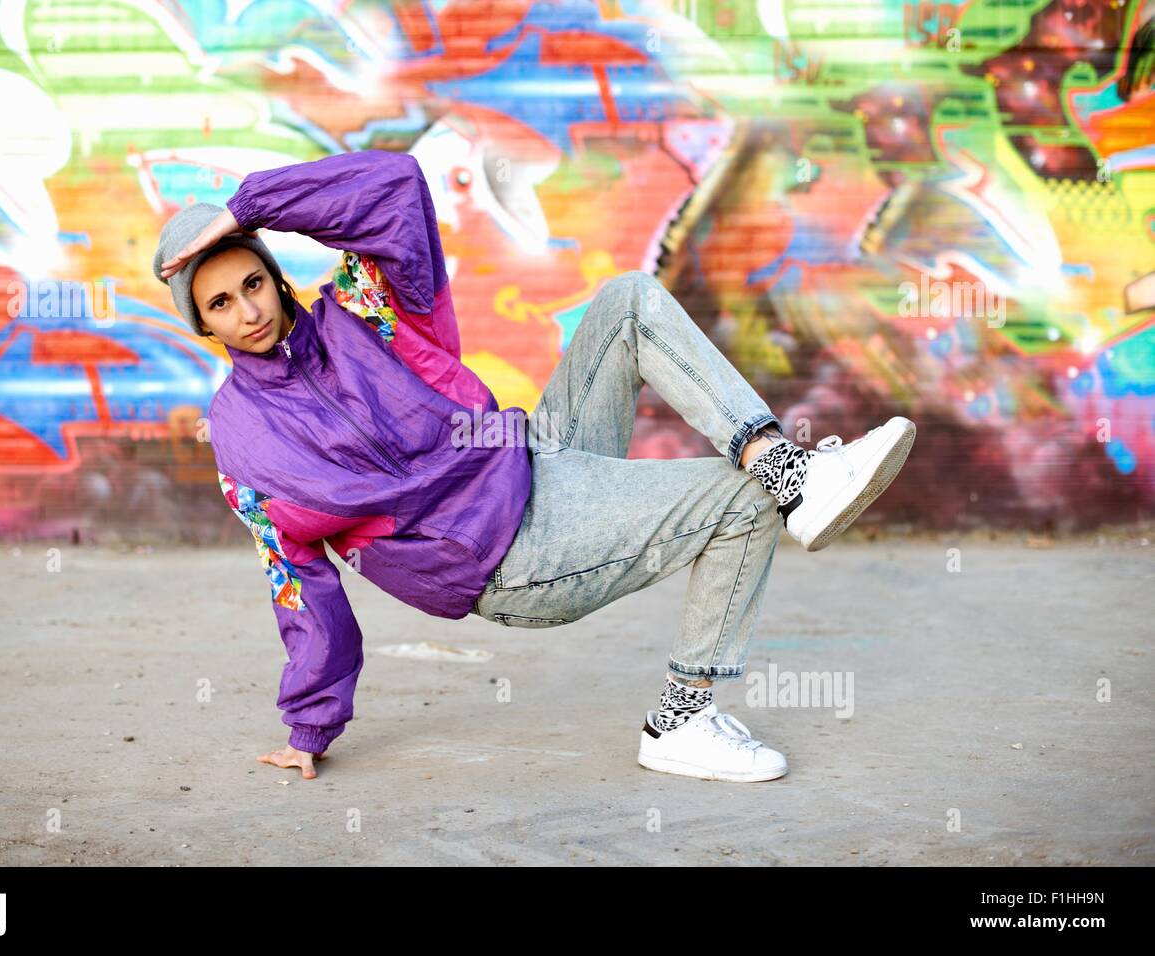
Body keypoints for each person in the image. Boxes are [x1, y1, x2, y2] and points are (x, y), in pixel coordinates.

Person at [152, 150, 916, 783]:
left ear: (273, 275)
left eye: (252, 282)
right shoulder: (243, 437)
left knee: (627, 300)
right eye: (219, 304)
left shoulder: (365, 311)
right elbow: (298, 582)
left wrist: (248, 206)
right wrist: (310, 725)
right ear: (204, 324)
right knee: (740, 503)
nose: (248, 312)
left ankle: (786, 466)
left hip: (537, 459)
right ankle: (683, 720)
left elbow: (394, 188)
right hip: (507, 560)